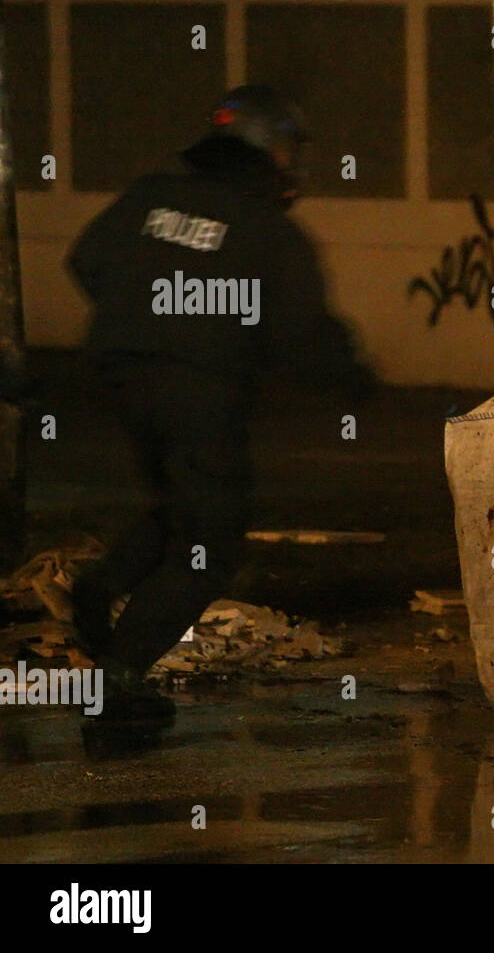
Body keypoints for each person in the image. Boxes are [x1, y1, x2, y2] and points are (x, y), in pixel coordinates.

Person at [66, 85, 375, 721]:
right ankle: (120, 678)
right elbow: (301, 332)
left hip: (122, 379)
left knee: (179, 506)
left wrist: (142, 319)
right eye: (288, 151)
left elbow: (87, 260)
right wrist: (352, 381)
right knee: (212, 537)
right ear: (270, 151)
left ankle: (98, 589)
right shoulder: (264, 226)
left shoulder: (151, 196)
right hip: (200, 391)